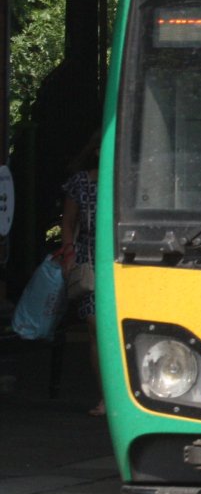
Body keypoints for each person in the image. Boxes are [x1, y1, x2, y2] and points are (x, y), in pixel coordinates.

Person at [55, 139, 101, 415]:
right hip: (89, 257)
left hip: (123, 256)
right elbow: (69, 222)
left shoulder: (131, 178)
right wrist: (70, 252)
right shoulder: (80, 182)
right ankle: (105, 395)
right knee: (95, 326)